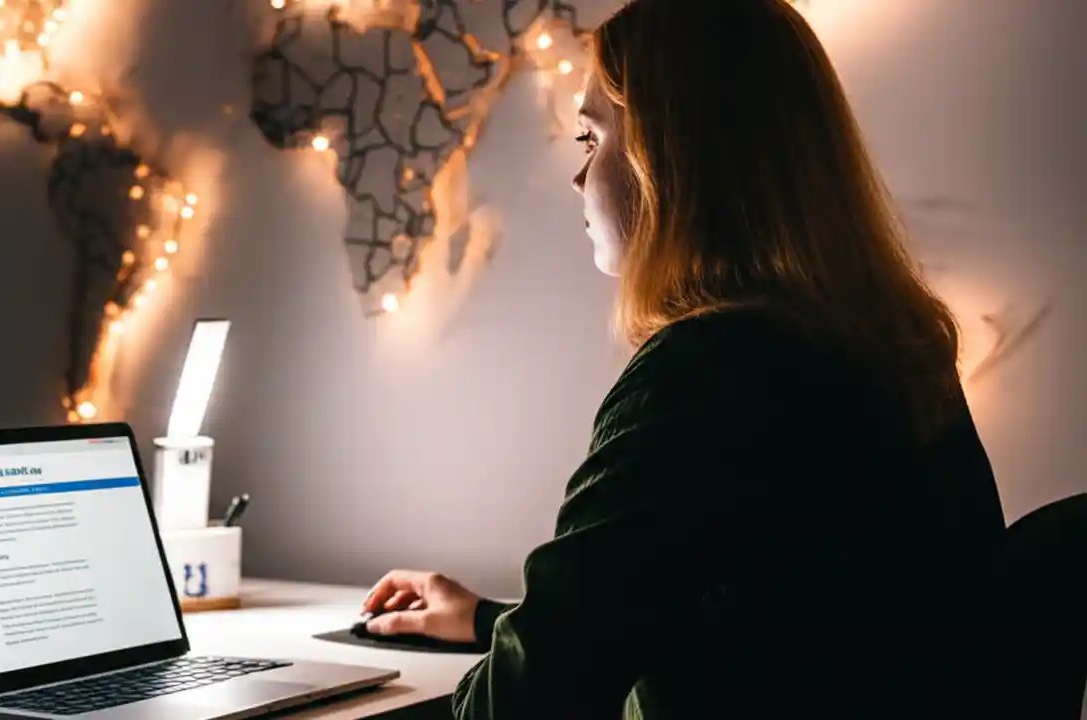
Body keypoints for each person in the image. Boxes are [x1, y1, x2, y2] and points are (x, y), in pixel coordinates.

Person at [361, 0, 1006, 717]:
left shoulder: (706, 374)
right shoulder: (891, 348)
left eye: (590, 137)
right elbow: (759, 617)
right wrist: (489, 622)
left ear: (673, 157)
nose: (578, 178)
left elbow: (523, 702)